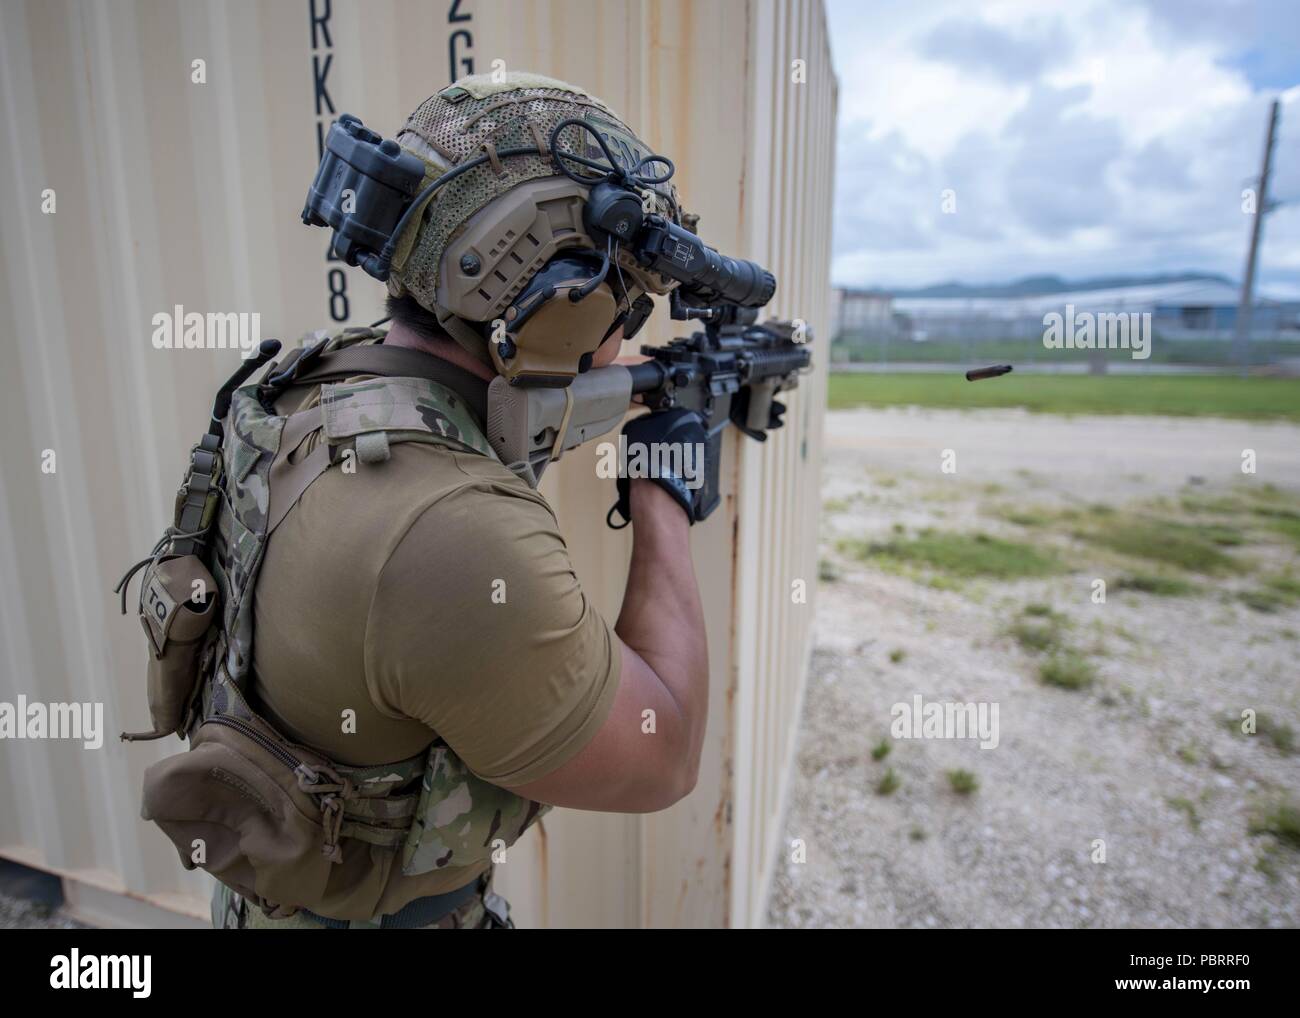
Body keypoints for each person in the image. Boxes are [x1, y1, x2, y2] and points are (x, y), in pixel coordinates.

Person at [213, 71, 712, 929]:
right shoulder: (452, 536)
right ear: (560, 294)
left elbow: (493, 419)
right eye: (620, 297)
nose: (625, 330)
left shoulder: (310, 384)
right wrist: (663, 494)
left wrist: (612, 384)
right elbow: (664, 757)